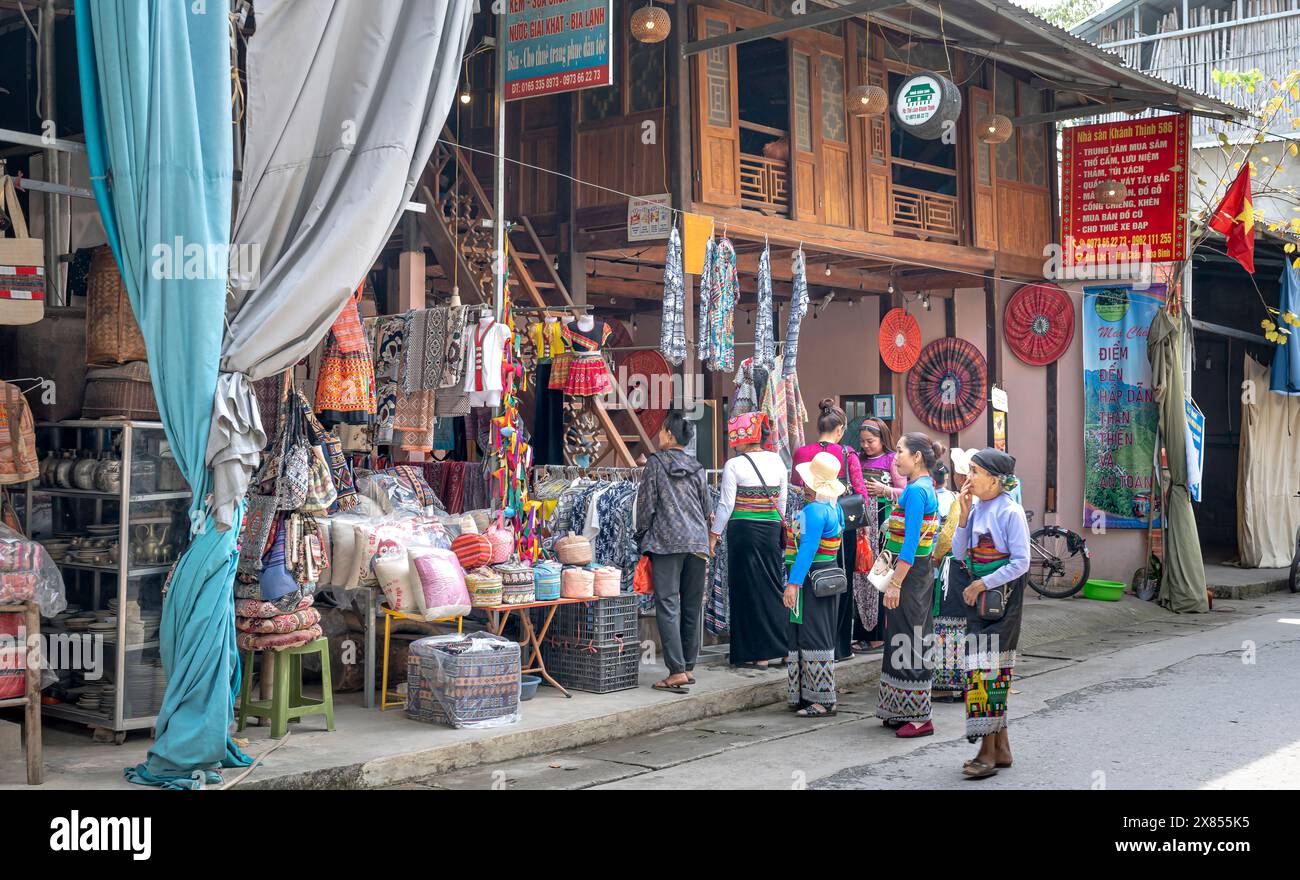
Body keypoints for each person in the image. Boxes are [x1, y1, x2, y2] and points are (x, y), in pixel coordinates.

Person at [952, 448, 1030, 779]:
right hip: (979, 599)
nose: (968, 478)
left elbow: (1021, 562)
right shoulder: (978, 508)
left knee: (986, 673)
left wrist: (982, 583)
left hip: (1003, 601)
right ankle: (1001, 748)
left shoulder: (1010, 512)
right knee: (984, 672)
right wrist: (964, 517)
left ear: (995, 480)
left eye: (975, 471)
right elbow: (958, 553)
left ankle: (986, 753)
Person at [635, 411, 713, 694]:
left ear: (669, 434)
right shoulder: (697, 467)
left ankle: (676, 671)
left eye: (662, 431)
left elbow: (647, 506)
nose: (659, 436)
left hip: (666, 543)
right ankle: (687, 667)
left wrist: (641, 536)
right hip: (697, 543)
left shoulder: (655, 464)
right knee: (691, 607)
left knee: (668, 605)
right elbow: (707, 507)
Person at [875, 432, 943, 738]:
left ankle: (918, 717)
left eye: (900, 451)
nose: (896, 456)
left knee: (912, 638)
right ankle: (898, 709)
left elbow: (911, 544)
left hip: (910, 574)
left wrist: (895, 583)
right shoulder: (918, 487)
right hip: (912, 572)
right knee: (900, 636)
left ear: (917, 457)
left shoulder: (917, 491)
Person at [711, 412, 788, 669]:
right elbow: (783, 501)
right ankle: (783, 646)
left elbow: (726, 505)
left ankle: (759, 654)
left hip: (743, 531)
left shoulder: (734, 465)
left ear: (742, 437)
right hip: (771, 529)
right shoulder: (777, 461)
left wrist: (714, 534)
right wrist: (778, 525)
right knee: (773, 585)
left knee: (747, 591)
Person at [792, 399, 867, 662]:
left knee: (808, 582)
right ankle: (839, 647)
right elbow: (861, 491)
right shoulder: (847, 454)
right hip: (839, 524)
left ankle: (810, 648)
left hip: (808, 522)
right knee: (838, 581)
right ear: (840, 429)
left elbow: (794, 488)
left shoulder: (801, 453)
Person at [784, 451, 847, 718]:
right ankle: (807, 695)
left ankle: (822, 699)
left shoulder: (813, 510)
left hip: (809, 578)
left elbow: (807, 550)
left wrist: (793, 583)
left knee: (813, 635)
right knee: (811, 634)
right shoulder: (834, 507)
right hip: (824, 575)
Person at [929, 459, 967, 701]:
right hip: (981, 572)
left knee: (949, 625)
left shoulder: (961, 503)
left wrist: (936, 558)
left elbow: (946, 538)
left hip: (956, 571)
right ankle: (970, 683)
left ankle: (946, 684)